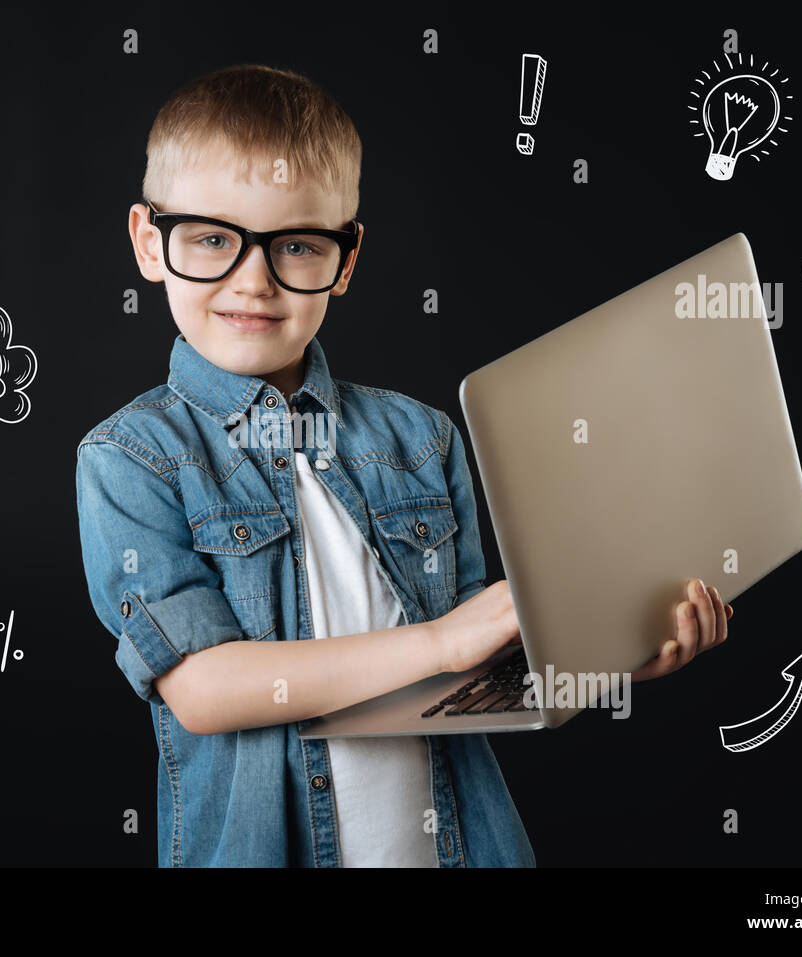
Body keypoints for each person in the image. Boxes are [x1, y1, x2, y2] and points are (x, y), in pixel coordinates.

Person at [75, 64, 732, 867]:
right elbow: (204, 689)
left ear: (345, 260)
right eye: (213, 238)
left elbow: (480, 675)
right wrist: (441, 643)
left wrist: (608, 659)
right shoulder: (131, 457)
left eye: (297, 245)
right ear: (150, 241)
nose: (253, 279)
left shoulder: (421, 437)